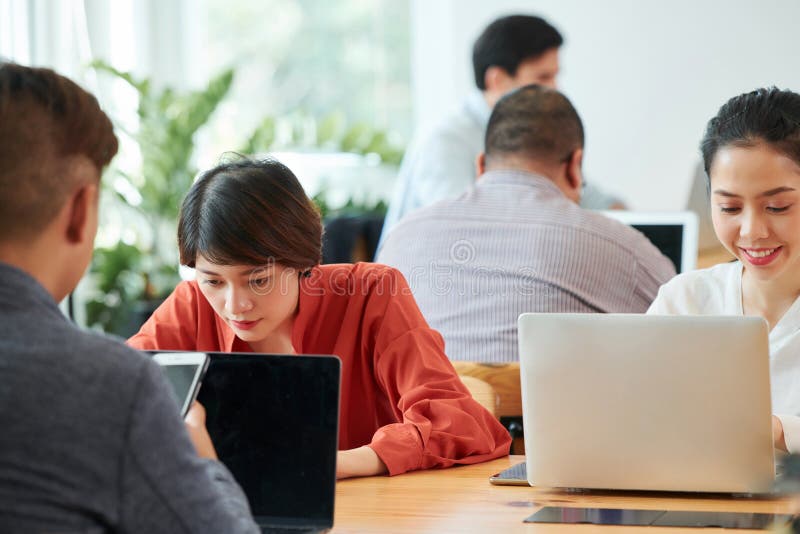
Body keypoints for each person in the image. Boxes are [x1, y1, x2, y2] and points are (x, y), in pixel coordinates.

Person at [127, 157, 511, 478]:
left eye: (258, 280)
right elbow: (113, 392)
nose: (234, 304)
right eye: (213, 281)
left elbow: (461, 424)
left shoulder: (372, 294)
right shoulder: (191, 304)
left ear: (302, 259)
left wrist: (332, 464)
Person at [0, 63, 258, 532]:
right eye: (213, 279)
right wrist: (202, 462)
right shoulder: (110, 386)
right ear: (81, 209)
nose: (236, 303)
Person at [377, 85, 676, 362]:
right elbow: (680, 325)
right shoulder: (620, 247)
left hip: (417, 417)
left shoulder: (401, 237)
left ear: (481, 165)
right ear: (575, 166)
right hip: (557, 419)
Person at [380, 14, 624, 244]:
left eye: (555, 77)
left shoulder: (537, 135)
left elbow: (593, 200)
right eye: (542, 77)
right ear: (496, 80)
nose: (554, 89)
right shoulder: (444, 140)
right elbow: (460, 233)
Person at [648, 87, 800, 454]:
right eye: (730, 208)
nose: (752, 231)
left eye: (777, 206)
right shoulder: (684, 300)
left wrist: (781, 432)